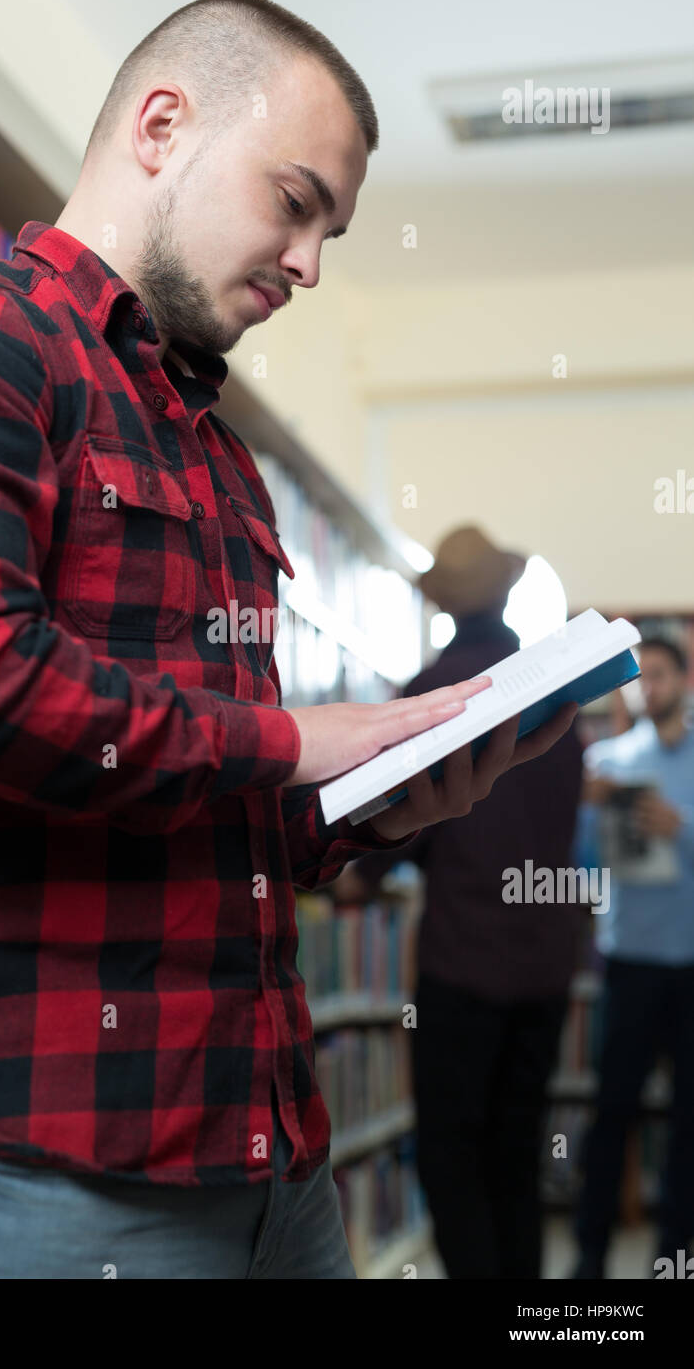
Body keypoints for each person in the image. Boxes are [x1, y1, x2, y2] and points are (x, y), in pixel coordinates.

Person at [0, 0, 575, 1279]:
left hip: (270, 1159)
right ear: (162, 127)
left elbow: (227, 802)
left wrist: (383, 800)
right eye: (294, 202)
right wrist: (294, 740)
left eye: (331, 229)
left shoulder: (219, 454)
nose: (309, 263)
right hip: (35, 1164)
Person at [334, 526, 585, 1278]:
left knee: (452, 1156)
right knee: (516, 1157)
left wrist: (353, 882)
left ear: (445, 606)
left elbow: (388, 828)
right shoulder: (557, 694)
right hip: (546, 967)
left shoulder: (430, 698)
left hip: (463, 964)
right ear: (506, 595)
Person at [571, 637, 694, 1280]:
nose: (651, 687)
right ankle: (589, 1257)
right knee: (611, 1110)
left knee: (689, 1122)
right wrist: (588, 814)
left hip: (691, 966)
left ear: (685, 679)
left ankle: (675, 1258)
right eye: (641, 677)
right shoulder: (608, 761)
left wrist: (685, 826)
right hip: (631, 961)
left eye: (663, 674)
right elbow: (581, 868)